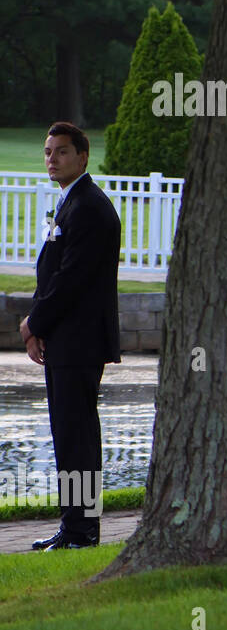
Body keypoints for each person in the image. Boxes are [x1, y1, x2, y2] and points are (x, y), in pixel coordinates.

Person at [20, 122, 121, 550]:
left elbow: (70, 280)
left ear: (83, 156)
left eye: (61, 151)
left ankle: (82, 531)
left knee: (76, 435)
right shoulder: (69, 204)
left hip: (79, 341)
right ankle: (73, 525)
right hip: (63, 339)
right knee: (68, 433)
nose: (52, 158)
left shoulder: (90, 209)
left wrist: (33, 323)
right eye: (47, 151)